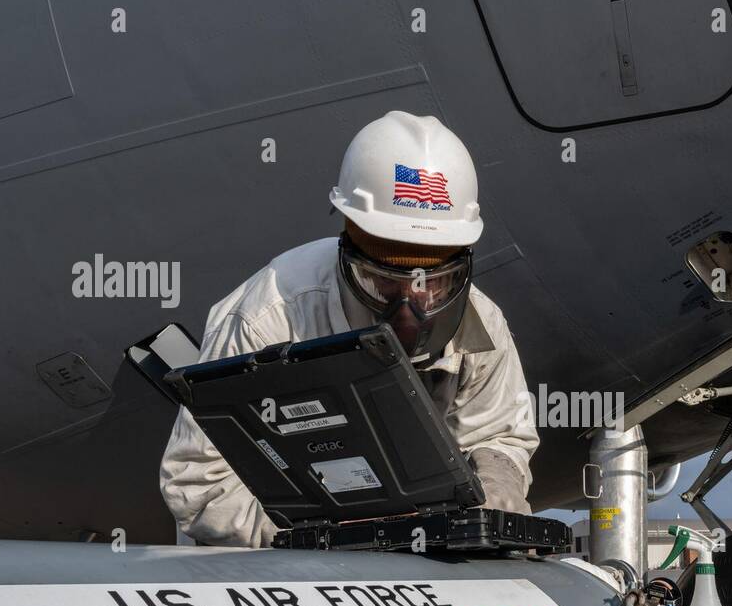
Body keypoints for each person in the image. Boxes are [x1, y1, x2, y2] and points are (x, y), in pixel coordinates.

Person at [160, 111, 539, 547]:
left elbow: (497, 436)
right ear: (348, 252)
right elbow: (199, 483)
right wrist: (325, 540)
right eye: (382, 282)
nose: (409, 310)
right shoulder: (268, 315)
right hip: (269, 570)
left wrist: (491, 495)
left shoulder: (481, 326)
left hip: (423, 561)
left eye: (432, 284)